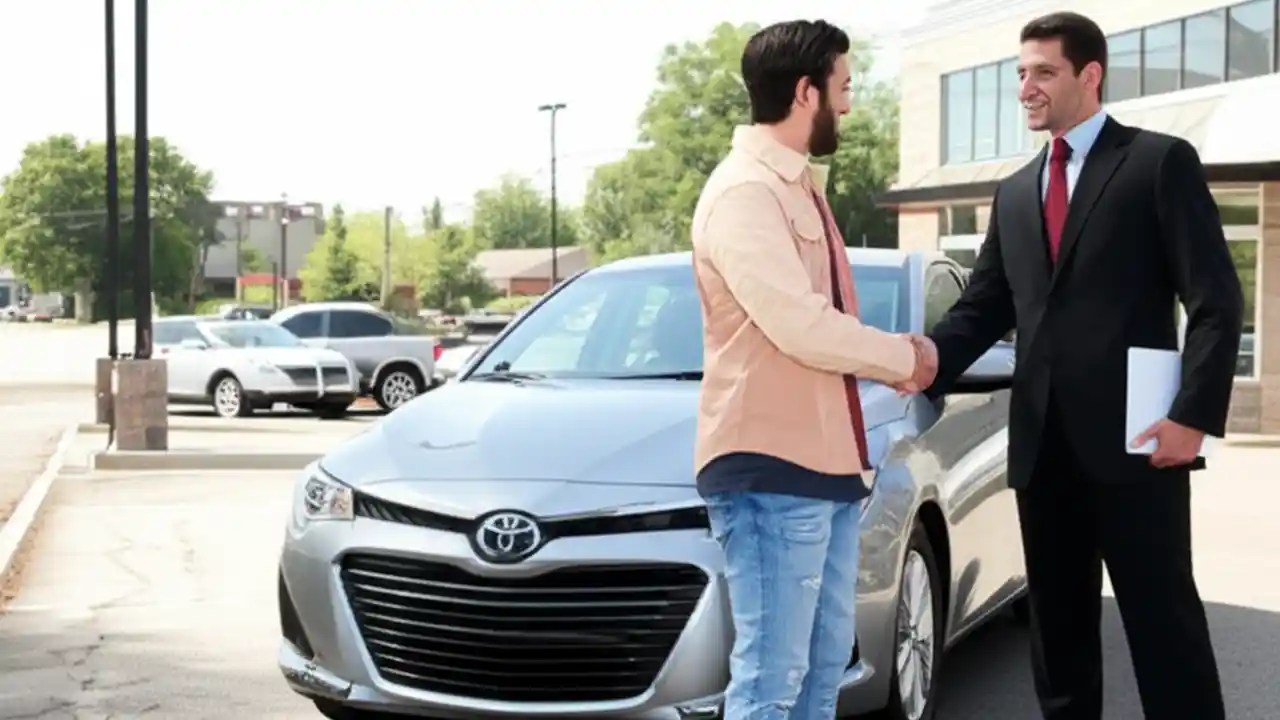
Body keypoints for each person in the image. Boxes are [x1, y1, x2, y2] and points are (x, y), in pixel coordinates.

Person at [908, 11, 1241, 720]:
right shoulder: (1015, 189)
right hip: (1042, 452)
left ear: (1089, 76)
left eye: (1043, 72)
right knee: (1058, 641)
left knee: (1164, 629)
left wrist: (1192, 418)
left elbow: (1215, 300)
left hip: (1140, 445)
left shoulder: (1157, 162)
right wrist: (922, 361)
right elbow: (987, 306)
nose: (1025, 87)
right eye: (1020, 73)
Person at [690, 19, 934, 719]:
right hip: (770, 468)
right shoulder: (745, 193)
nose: (850, 104)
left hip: (824, 468)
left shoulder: (796, 188)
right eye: (844, 86)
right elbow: (798, 324)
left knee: (823, 668)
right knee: (772, 677)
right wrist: (903, 358)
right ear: (807, 93)